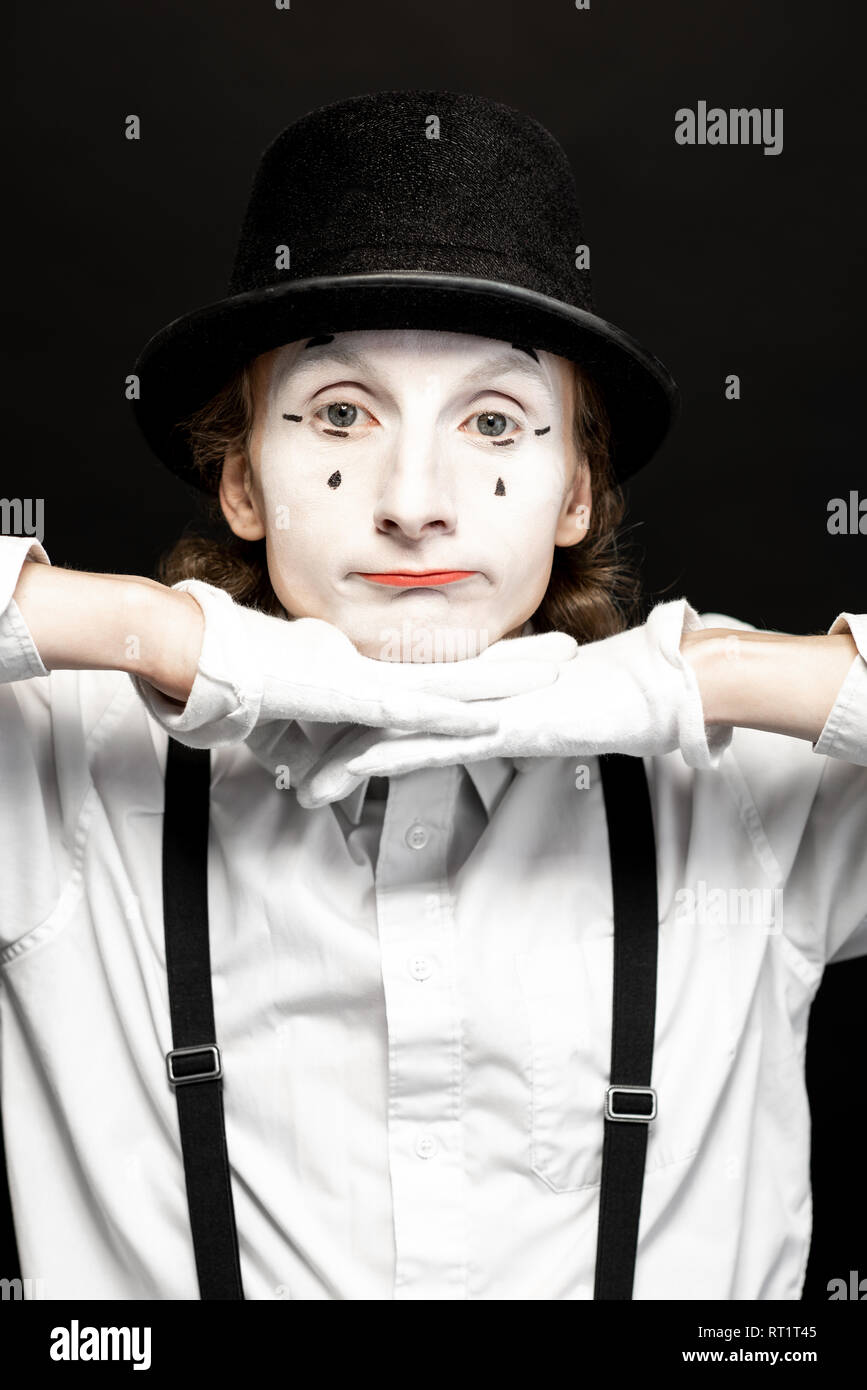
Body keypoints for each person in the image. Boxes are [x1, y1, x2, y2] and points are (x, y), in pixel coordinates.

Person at [1, 90, 864, 1302]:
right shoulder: (66, 770)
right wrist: (165, 632)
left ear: (576, 492)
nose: (415, 499)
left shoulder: (748, 777)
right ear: (243, 482)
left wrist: (699, 678)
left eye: (497, 423)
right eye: (341, 413)